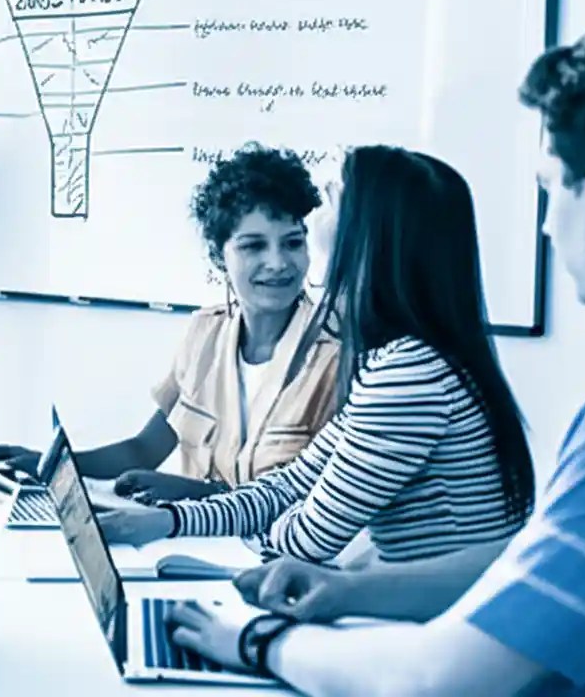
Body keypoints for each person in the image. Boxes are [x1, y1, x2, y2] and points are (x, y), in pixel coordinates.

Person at [166, 12, 585, 695]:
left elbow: (433, 681)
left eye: (551, 187)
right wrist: (348, 592)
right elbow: (516, 557)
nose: (549, 224)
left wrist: (259, 640)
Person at [98, 145, 536, 570]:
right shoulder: (399, 360)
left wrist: (187, 526)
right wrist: (167, 521)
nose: (316, 212)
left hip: (422, 624)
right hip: (405, 605)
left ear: (369, 233)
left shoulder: (410, 374)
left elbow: (308, 537)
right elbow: (289, 485)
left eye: (333, 195)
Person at [0, 144, 341, 503]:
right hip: (188, 546)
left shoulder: (338, 353)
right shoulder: (206, 333)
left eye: (292, 243)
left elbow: (327, 503)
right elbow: (143, 451)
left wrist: (203, 494)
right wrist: (52, 464)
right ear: (219, 257)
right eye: (253, 246)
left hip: (274, 554)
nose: (278, 262)